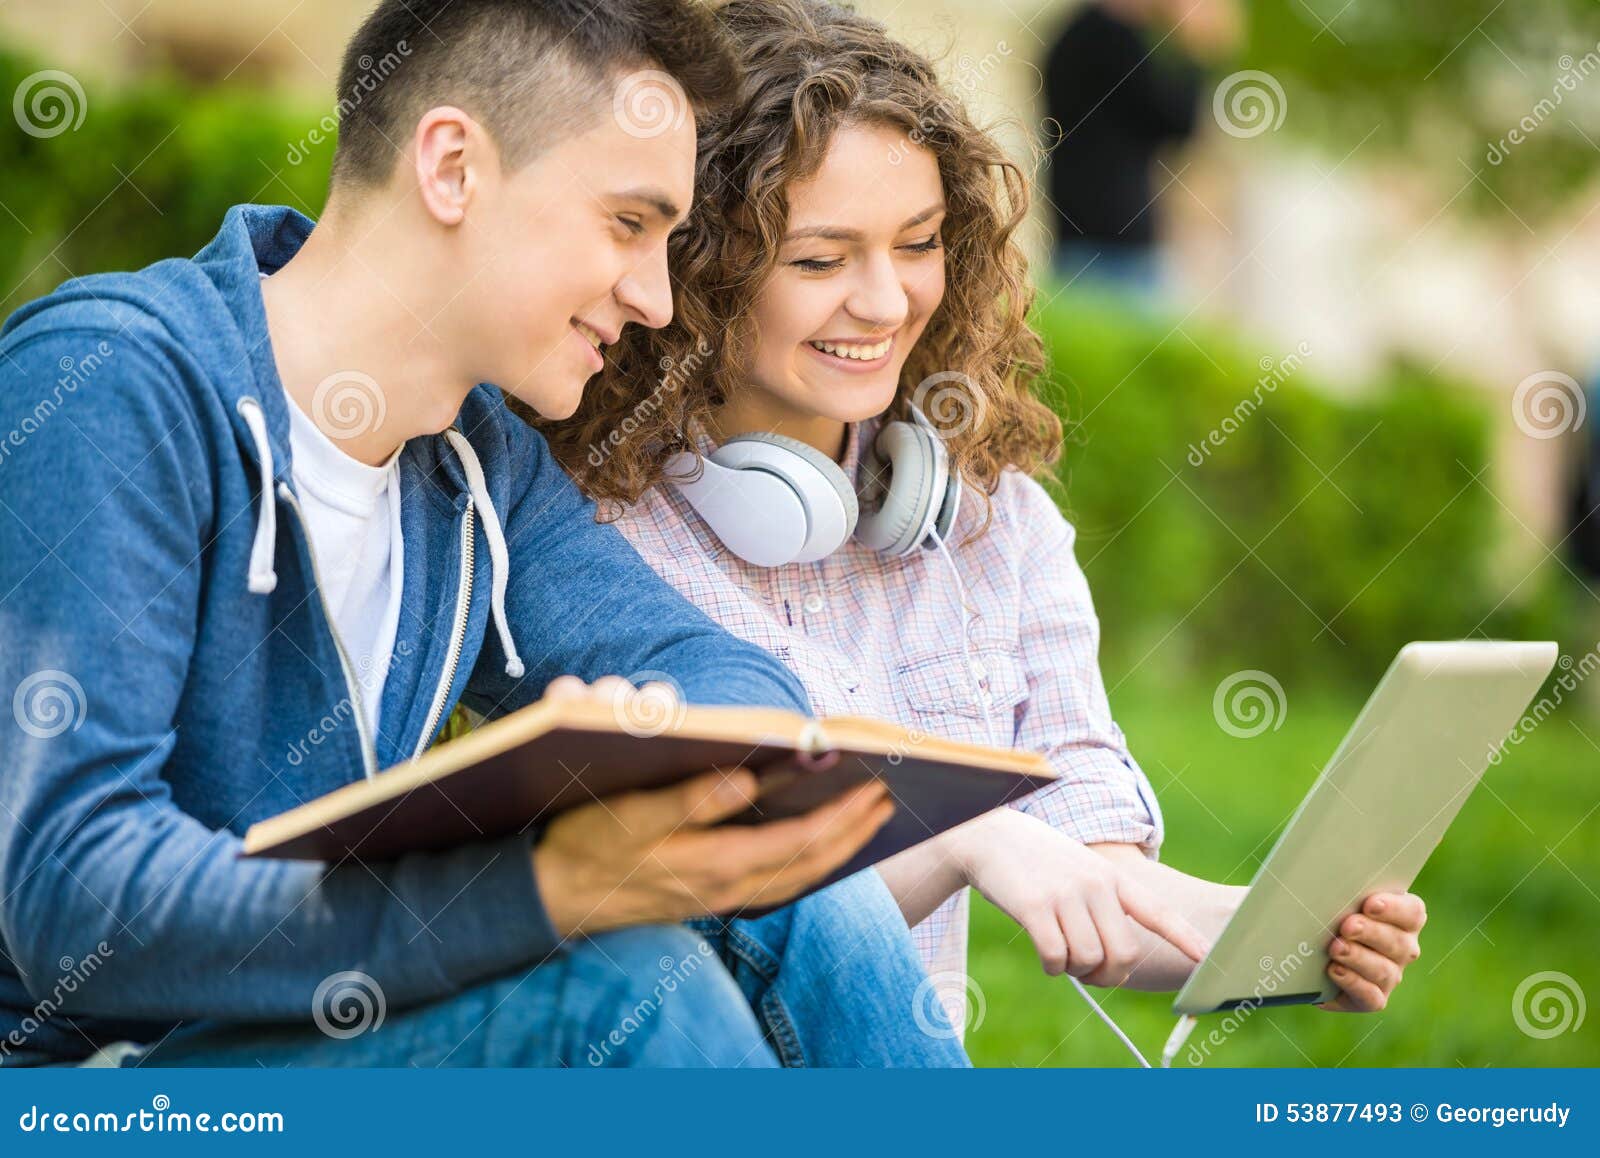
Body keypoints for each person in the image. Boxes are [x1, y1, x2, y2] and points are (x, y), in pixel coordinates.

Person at [0, 0, 968, 1069]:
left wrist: (654, 757)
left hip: (303, 1037)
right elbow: (70, 901)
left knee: (784, 891)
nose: (655, 299)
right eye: (628, 224)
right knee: (618, 997)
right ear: (453, 166)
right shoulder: (112, 385)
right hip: (84, 1086)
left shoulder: (472, 462)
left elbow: (730, 684)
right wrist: (539, 884)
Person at [538, 0, 1427, 1035]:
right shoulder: (592, 534)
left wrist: (1275, 933)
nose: (883, 303)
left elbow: (1088, 873)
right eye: (821, 261)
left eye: (917, 245)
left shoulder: (991, 520)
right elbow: (696, 914)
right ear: (695, 270)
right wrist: (968, 843)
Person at [1042, 0, 1239, 296]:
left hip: (1079, 242)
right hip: (1118, 253)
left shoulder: (1076, 33)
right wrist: (1198, 48)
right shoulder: (1116, 41)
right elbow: (1178, 121)